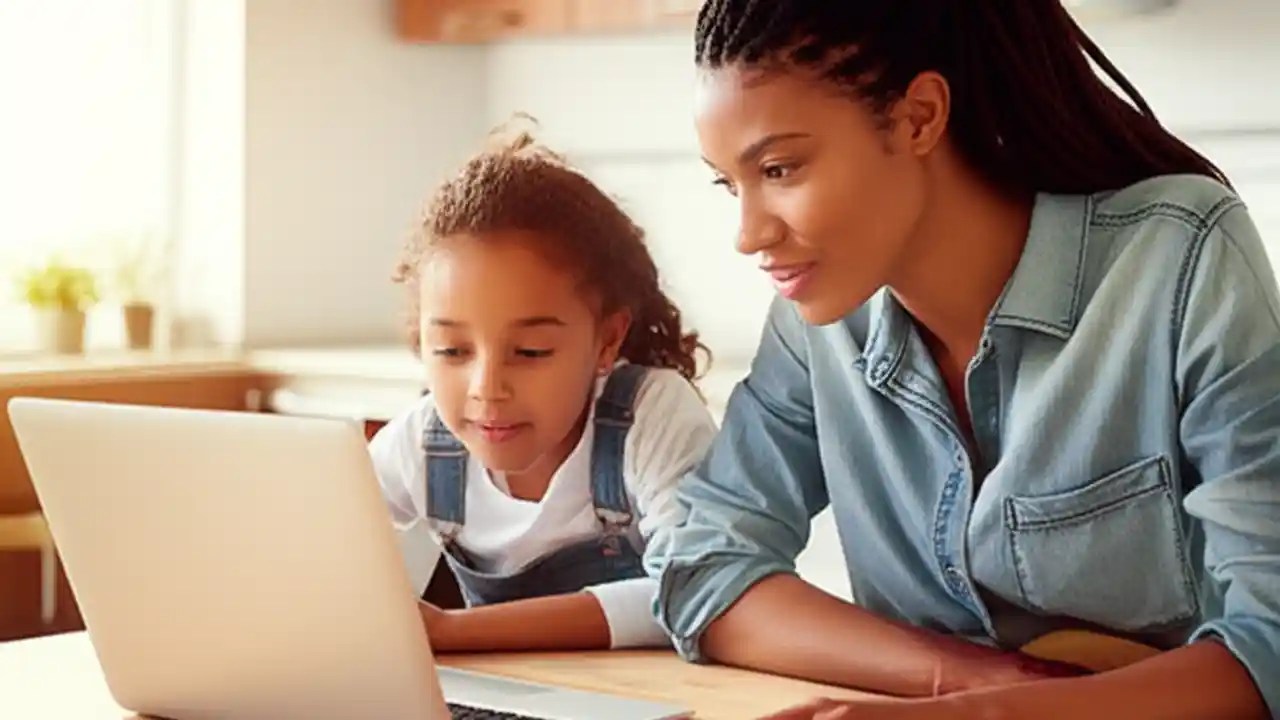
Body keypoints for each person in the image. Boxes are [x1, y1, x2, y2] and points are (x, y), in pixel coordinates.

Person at [645, 1, 1279, 717]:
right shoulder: (817, 321)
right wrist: (960, 679)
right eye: (731, 184)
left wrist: (980, 714)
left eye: (781, 168)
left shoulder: (1180, 260)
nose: (749, 232)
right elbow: (703, 564)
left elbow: (1271, 644)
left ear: (919, 116)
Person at [371, 126, 717, 653]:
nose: (487, 389)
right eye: (452, 351)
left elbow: (698, 590)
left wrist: (453, 631)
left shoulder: (650, 417)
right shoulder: (423, 444)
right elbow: (316, 562)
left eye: (530, 352)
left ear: (607, 339)